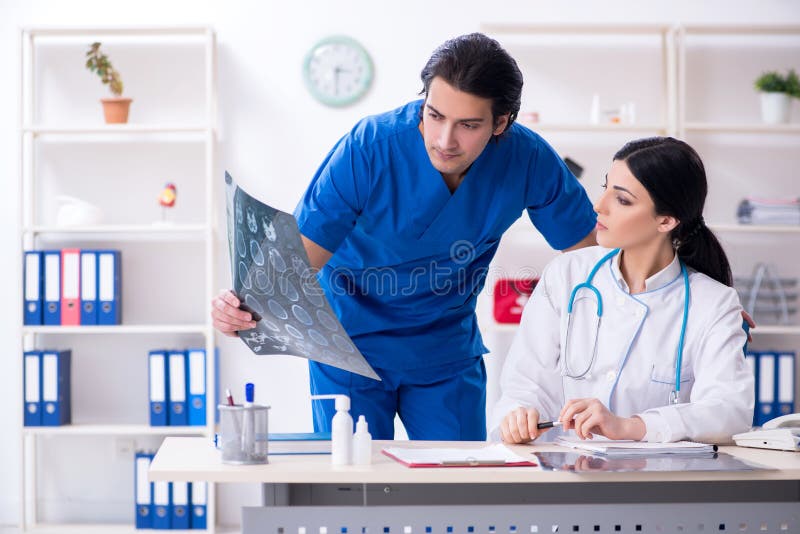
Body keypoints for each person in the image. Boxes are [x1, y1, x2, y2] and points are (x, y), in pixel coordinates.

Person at [212, 33, 598, 440]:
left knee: (456, 486)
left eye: (468, 125)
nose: (444, 140)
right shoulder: (371, 147)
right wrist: (240, 307)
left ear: (501, 123)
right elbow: (298, 261)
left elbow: (587, 259)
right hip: (348, 345)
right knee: (352, 488)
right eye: (434, 115)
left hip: (445, 350)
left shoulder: (527, 159)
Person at [491, 137, 755, 445]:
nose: (598, 206)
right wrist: (519, 415)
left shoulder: (713, 303)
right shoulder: (567, 275)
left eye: (623, 200)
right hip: (563, 475)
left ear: (666, 220)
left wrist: (631, 426)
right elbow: (524, 385)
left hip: (654, 483)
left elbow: (729, 411)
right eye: (606, 189)